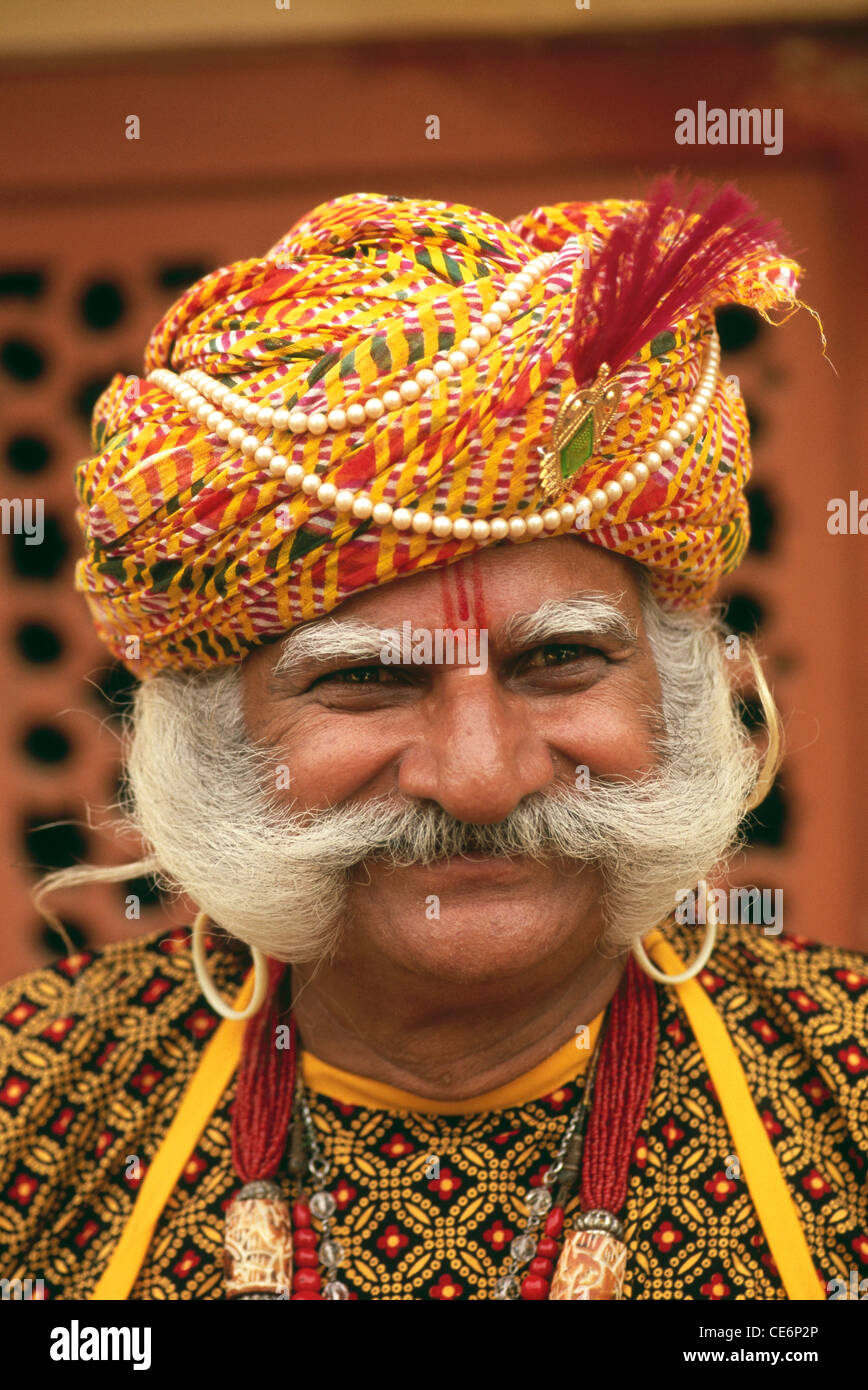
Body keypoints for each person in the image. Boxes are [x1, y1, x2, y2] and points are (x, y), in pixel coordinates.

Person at [1, 177, 865, 1302]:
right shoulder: (37, 1098)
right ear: (217, 734)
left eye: (557, 661)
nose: (478, 776)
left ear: (680, 688)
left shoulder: (842, 1078)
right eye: (364, 680)